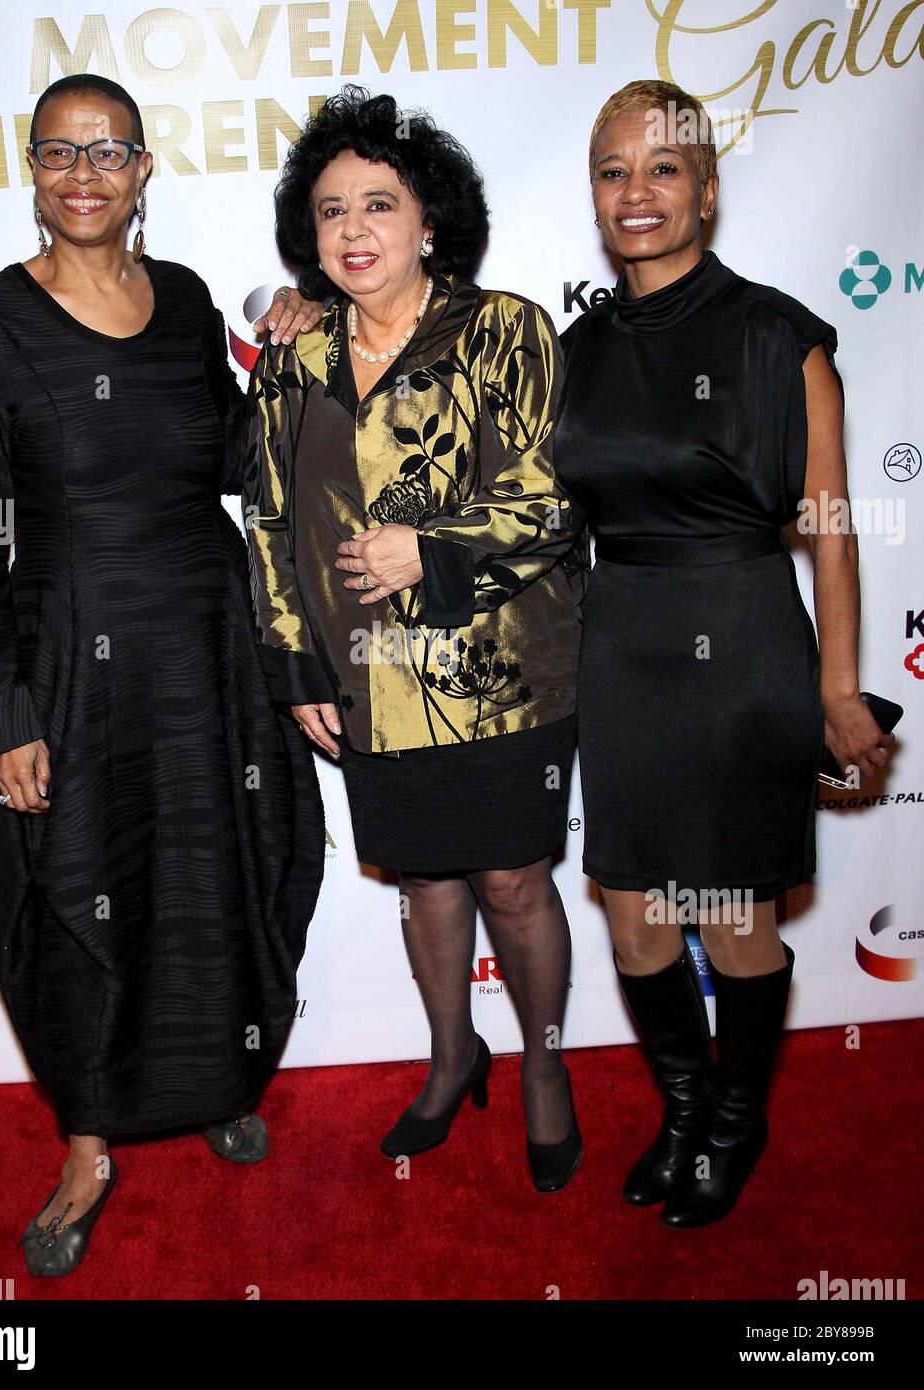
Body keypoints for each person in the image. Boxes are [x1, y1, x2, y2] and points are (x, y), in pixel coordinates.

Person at [0, 73, 326, 1275]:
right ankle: (91, 1140)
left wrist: (288, 365)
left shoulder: (189, 297)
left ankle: (219, 1069)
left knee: (221, 865)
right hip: (69, 649)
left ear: (144, 169)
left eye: (109, 153)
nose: (85, 175)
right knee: (82, 889)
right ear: (33, 173)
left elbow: (230, 457)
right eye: (60, 153)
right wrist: (5, 714)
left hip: (207, 642)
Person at [554, 79, 895, 1227]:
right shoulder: (577, 346)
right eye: (613, 171)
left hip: (740, 641)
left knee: (731, 917)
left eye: (661, 169)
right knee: (635, 916)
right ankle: (683, 1107)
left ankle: (736, 1124)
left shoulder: (774, 334)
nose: (635, 193)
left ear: (705, 186)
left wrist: (836, 690)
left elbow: (831, 525)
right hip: (623, 648)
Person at [243, 86, 590, 1192]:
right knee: (426, 888)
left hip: (502, 678)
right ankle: (451, 1056)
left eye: (378, 204)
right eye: (332, 208)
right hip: (367, 684)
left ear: (427, 221)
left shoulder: (506, 329)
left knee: (515, 885)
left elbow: (552, 501)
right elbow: (270, 523)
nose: (353, 229)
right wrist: (297, 659)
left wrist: (424, 548)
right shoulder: (289, 363)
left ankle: (541, 1068)